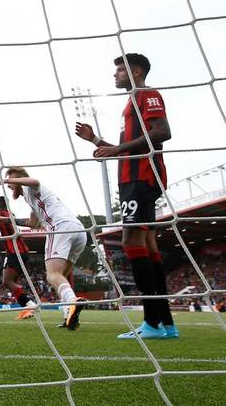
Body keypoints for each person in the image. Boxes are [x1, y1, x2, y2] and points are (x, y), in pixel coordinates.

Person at [75, 53, 175, 339]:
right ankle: (166, 323)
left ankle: (152, 323)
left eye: (120, 70)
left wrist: (117, 150)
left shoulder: (147, 94)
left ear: (137, 71)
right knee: (148, 243)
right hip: (133, 177)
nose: (115, 75)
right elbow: (128, 148)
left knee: (132, 239)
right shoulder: (130, 104)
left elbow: (162, 132)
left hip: (141, 177)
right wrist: (96, 140)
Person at [0, 168, 87, 330]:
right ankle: (69, 314)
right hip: (78, 231)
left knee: (52, 275)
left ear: (19, 179)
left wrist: (5, 181)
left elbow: (35, 181)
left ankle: (73, 302)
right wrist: (6, 219)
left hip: (59, 227)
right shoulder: (31, 198)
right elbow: (33, 223)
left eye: (10, 181)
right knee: (60, 278)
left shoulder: (30, 187)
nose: (8, 185)